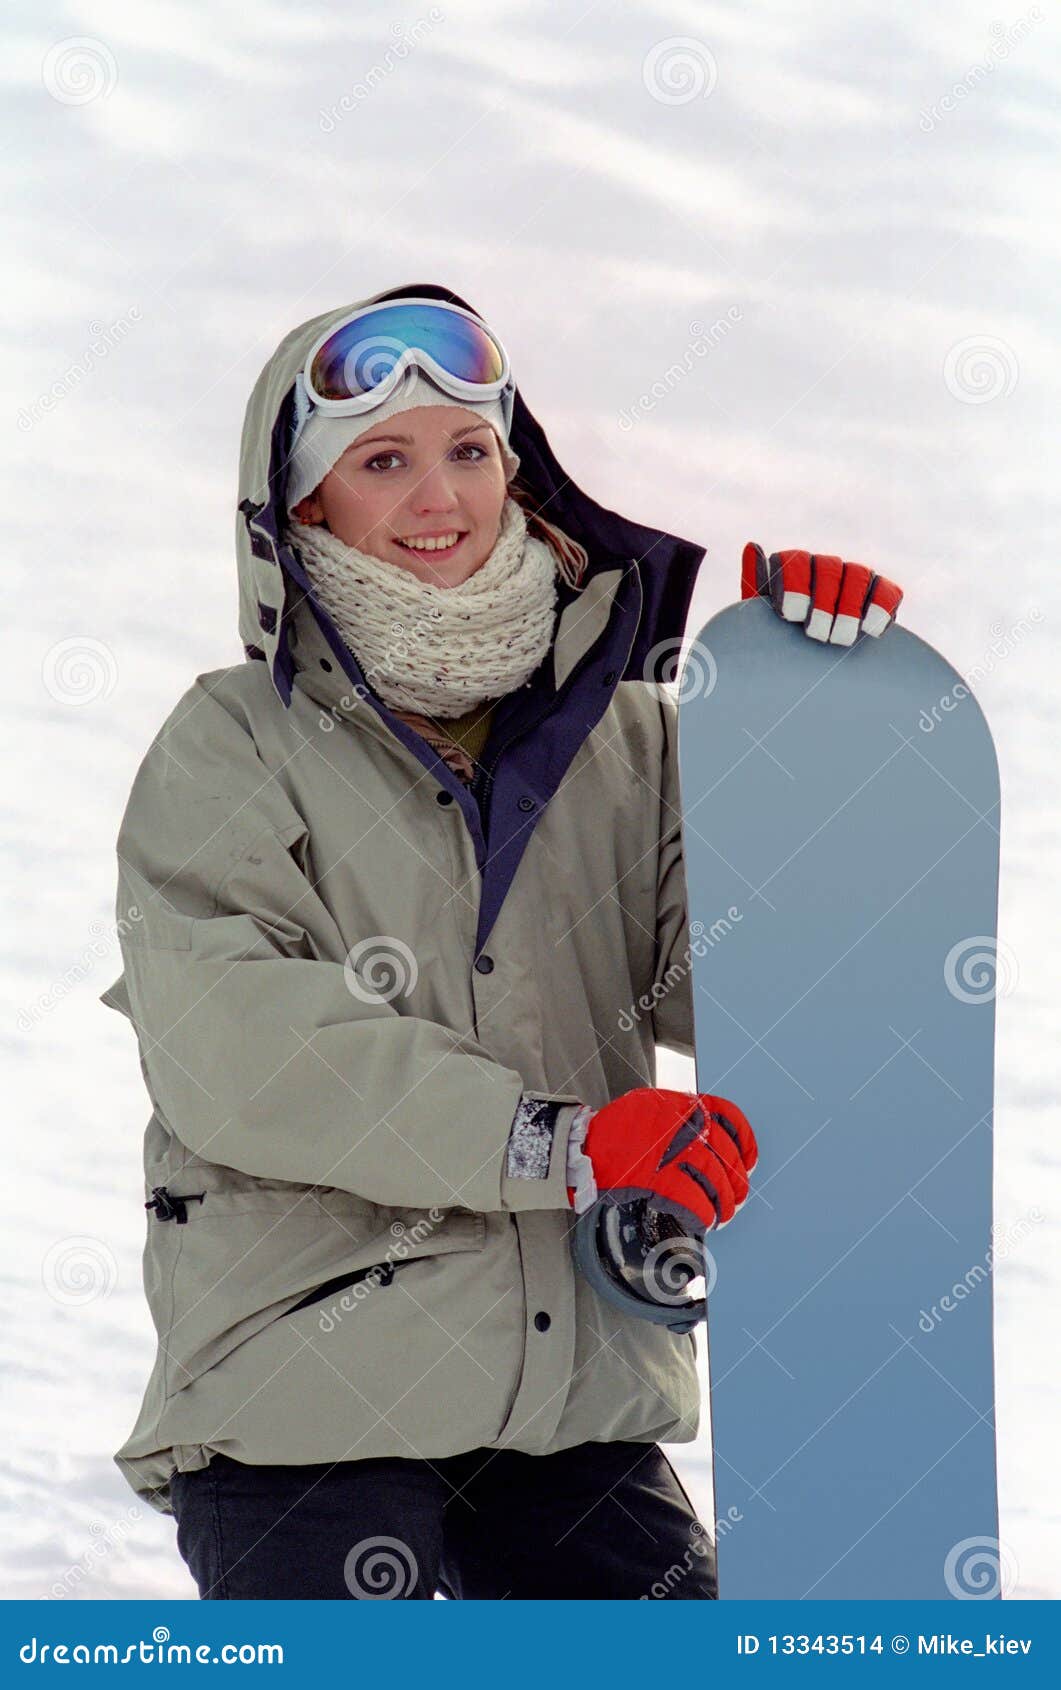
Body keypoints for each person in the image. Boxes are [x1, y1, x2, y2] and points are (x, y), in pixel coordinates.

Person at [98, 285, 904, 1600]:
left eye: (469, 450)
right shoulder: (233, 743)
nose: (440, 497)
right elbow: (238, 1046)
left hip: (567, 1404)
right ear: (305, 513)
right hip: (306, 1400)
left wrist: (809, 729)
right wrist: (557, 1141)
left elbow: (758, 975)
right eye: (382, 460)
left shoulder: (624, 739)